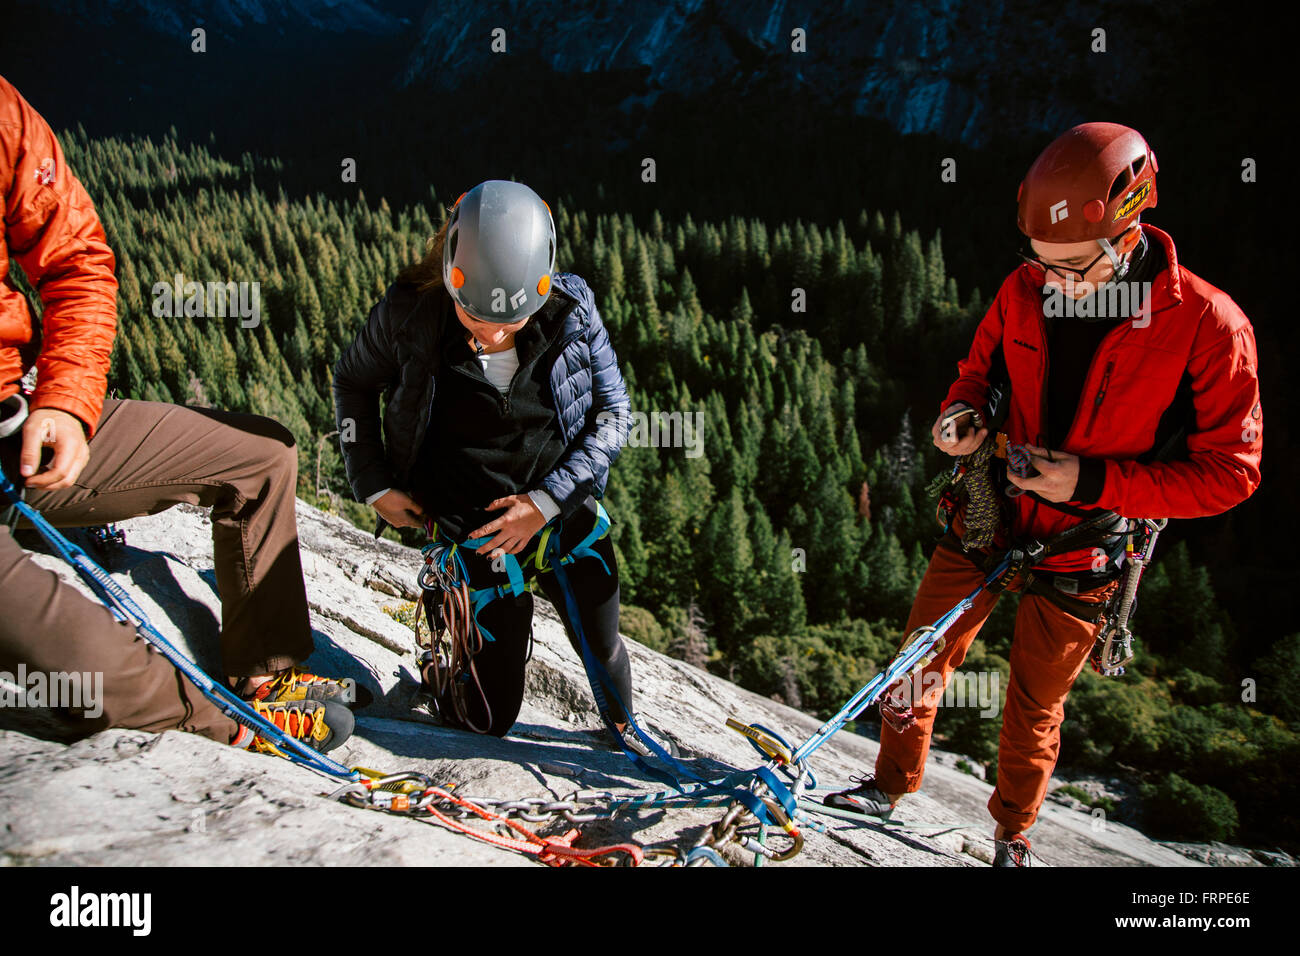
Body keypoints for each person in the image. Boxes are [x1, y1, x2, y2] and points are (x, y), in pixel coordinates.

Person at [824, 123, 1263, 866]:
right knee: (920, 656)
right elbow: (979, 372)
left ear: (1129, 231)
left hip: (1087, 540)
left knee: (1033, 704)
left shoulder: (1208, 325)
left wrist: (1091, 481)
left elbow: (1232, 471)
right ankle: (887, 784)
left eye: (1074, 267)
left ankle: (1011, 836)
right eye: (1042, 264)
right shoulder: (1025, 287)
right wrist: (964, 416)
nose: (1054, 282)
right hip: (992, 504)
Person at [0, 74, 355, 754]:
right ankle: (226, 726)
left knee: (261, 457)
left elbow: (75, 259)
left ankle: (268, 674)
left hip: (16, 424)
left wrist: (68, 401)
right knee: (93, 668)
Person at [333, 179, 675, 756]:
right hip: (473, 527)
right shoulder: (410, 313)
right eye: (474, 316)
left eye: (508, 323)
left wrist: (543, 505)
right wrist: (373, 485)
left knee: (605, 645)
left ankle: (622, 732)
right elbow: (353, 380)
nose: (490, 333)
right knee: (488, 720)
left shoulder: (571, 309)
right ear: (451, 270)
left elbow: (614, 415)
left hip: (561, 510)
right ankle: (447, 669)